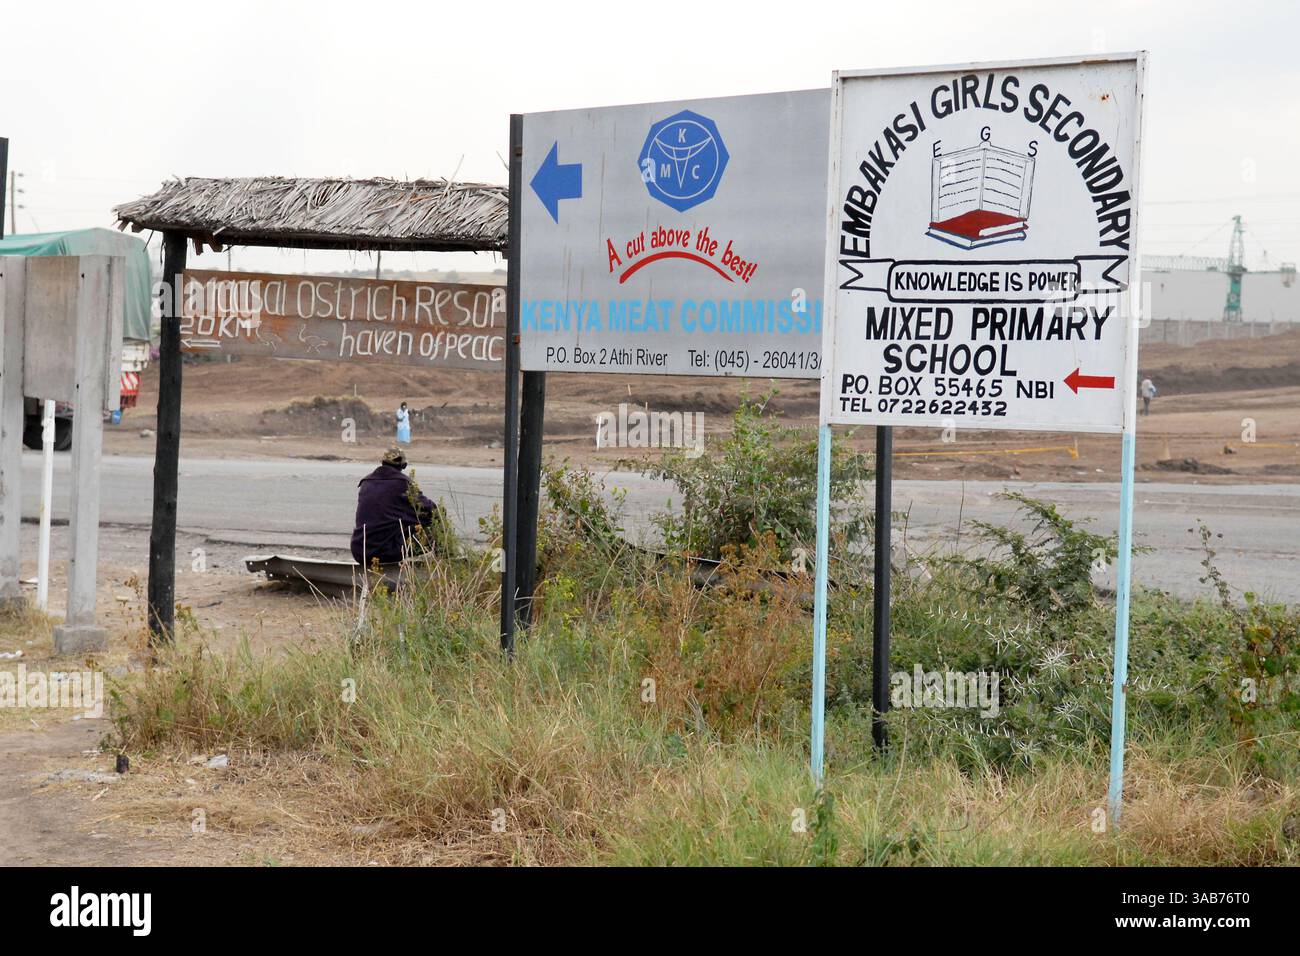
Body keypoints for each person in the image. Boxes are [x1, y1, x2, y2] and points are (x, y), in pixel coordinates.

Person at [350, 447, 440, 566]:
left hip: (359, 551)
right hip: (384, 552)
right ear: (403, 465)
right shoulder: (401, 484)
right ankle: (444, 564)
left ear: (382, 462)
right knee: (436, 527)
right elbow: (430, 510)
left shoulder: (366, 482)